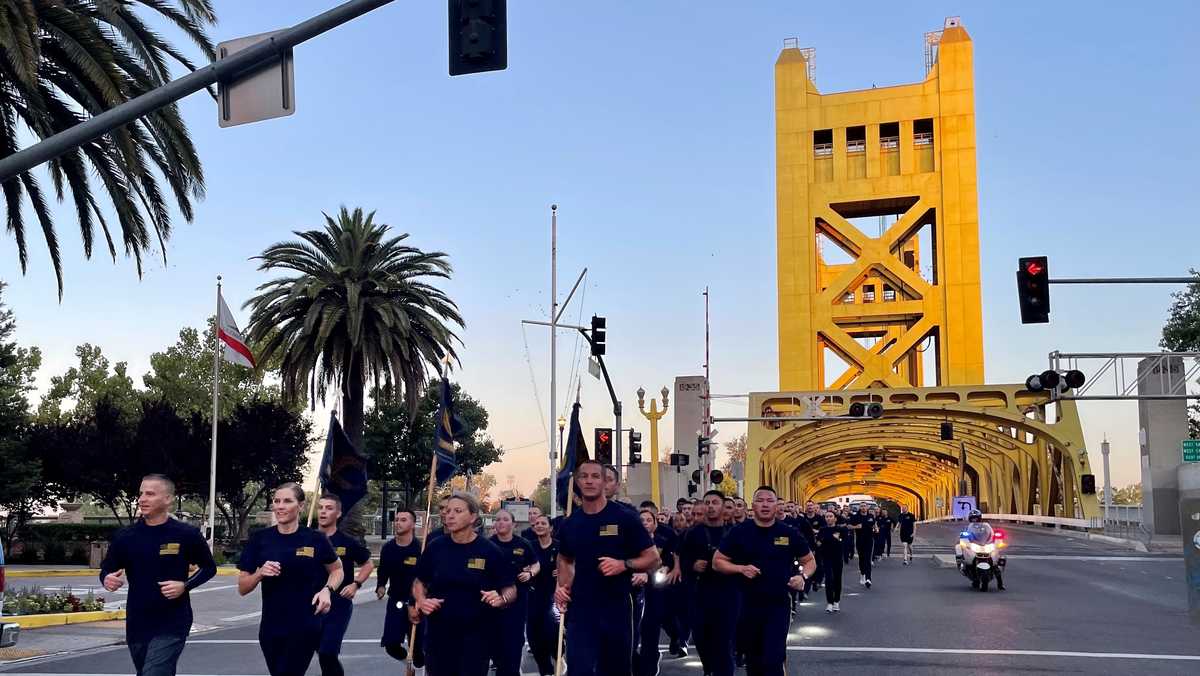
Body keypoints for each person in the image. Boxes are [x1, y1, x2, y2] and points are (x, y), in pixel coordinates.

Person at [100, 474, 216, 676]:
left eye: (150, 494)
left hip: (173, 621)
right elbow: (107, 569)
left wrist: (184, 586)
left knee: (154, 672)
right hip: (137, 621)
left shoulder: (186, 534)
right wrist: (107, 579)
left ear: (168, 499)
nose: (142, 499)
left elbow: (209, 568)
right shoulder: (126, 537)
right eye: (141, 493)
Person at [555, 460, 660, 676]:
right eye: (584, 476)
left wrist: (624, 564)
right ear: (577, 482)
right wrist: (562, 587)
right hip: (581, 610)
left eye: (595, 476)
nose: (589, 481)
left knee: (615, 670)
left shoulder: (625, 518)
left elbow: (653, 558)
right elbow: (565, 559)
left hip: (617, 608)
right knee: (579, 669)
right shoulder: (569, 524)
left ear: (605, 482)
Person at [238, 483, 343, 676]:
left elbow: (337, 570)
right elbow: (242, 587)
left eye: (287, 501)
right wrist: (260, 573)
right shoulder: (260, 539)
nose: (280, 506)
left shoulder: (315, 539)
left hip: (305, 624)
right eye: (276, 501)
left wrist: (327, 590)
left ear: (300, 506)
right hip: (271, 627)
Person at [714, 486, 816, 676]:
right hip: (747, 604)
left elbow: (809, 561)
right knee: (754, 660)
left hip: (778, 604)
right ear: (753, 506)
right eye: (760, 500)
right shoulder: (739, 532)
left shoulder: (788, 532)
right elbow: (717, 562)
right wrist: (740, 568)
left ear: (777, 505)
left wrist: (802, 577)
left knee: (773, 659)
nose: (765, 504)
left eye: (770, 500)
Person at [413, 492, 516, 676]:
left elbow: (510, 589)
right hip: (439, 637)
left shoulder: (490, 551)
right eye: (447, 510)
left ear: (473, 517)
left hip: (476, 638)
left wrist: (501, 599)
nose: (449, 515)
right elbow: (419, 581)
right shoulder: (435, 547)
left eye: (458, 511)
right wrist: (421, 601)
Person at [315, 495, 373, 676]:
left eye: (329, 508)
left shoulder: (347, 541)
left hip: (338, 604)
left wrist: (356, 584)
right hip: (311, 604)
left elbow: (368, 564)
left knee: (328, 652)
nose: (323, 511)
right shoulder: (307, 538)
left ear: (338, 513)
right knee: (319, 652)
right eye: (321, 507)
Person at [681, 490, 736, 676]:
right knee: (702, 640)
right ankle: (709, 670)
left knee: (724, 644)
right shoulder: (693, 533)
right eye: (707, 502)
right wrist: (693, 565)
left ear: (723, 507)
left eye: (715, 502)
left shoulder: (733, 533)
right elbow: (682, 561)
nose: (711, 506)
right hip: (700, 595)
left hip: (727, 595)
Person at [489, 510, 539, 676]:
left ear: (514, 524)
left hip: (518, 600)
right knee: (494, 639)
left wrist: (530, 573)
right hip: (493, 600)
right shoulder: (487, 545)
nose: (500, 522)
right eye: (497, 520)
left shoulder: (523, 544)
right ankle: (498, 662)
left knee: (514, 640)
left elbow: (536, 564)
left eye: (505, 519)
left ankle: (511, 670)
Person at [376, 509, 423, 667]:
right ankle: (407, 665)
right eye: (396, 519)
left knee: (419, 653)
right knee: (391, 645)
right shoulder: (388, 548)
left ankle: (418, 663)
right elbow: (382, 570)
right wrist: (381, 586)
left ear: (412, 524)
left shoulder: (420, 549)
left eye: (403, 520)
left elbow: (427, 578)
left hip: (417, 604)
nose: (398, 523)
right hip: (396, 601)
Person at [634, 508, 676, 676]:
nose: (644, 523)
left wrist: (666, 567)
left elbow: (669, 561)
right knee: (634, 633)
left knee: (651, 629)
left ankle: (650, 666)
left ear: (655, 523)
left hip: (656, 590)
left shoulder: (663, 539)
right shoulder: (631, 542)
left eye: (648, 520)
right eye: (641, 520)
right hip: (636, 591)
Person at [526, 514, 559, 676]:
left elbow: (572, 566)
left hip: (553, 597)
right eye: (536, 523)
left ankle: (560, 658)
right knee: (534, 639)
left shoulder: (559, 547)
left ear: (550, 528)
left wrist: (563, 570)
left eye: (543, 523)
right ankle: (546, 671)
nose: (539, 525)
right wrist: (526, 570)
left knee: (550, 633)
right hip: (533, 597)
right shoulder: (529, 546)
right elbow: (522, 565)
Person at [815, 511, 847, 613]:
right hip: (826, 557)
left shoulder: (840, 529)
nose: (828, 518)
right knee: (829, 579)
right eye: (827, 517)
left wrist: (838, 539)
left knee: (837, 579)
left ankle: (836, 601)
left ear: (835, 518)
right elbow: (819, 543)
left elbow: (844, 540)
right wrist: (828, 539)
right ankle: (829, 602)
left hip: (837, 557)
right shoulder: (822, 530)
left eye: (830, 516)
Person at [848, 503, 877, 588]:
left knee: (868, 559)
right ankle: (862, 574)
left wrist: (876, 528)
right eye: (862, 506)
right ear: (860, 508)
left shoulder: (871, 516)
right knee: (861, 559)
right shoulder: (855, 516)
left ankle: (868, 579)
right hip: (860, 541)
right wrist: (856, 527)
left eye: (864, 506)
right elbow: (849, 526)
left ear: (867, 507)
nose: (863, 507)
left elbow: (874, 525)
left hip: (869, 541)